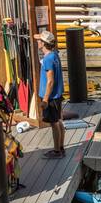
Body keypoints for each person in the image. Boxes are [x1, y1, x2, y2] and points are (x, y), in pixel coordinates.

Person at [35, 29, 65, 157]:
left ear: (43, 43)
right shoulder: (54, 54)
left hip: (51, 97)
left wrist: (45, 99)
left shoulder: (48, 59)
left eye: (39, 40)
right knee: (58, 121)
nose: (37, 42)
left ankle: (57, 150)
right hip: (57, 95)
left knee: (54, 123)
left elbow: (50, 81)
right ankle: (61, 147)